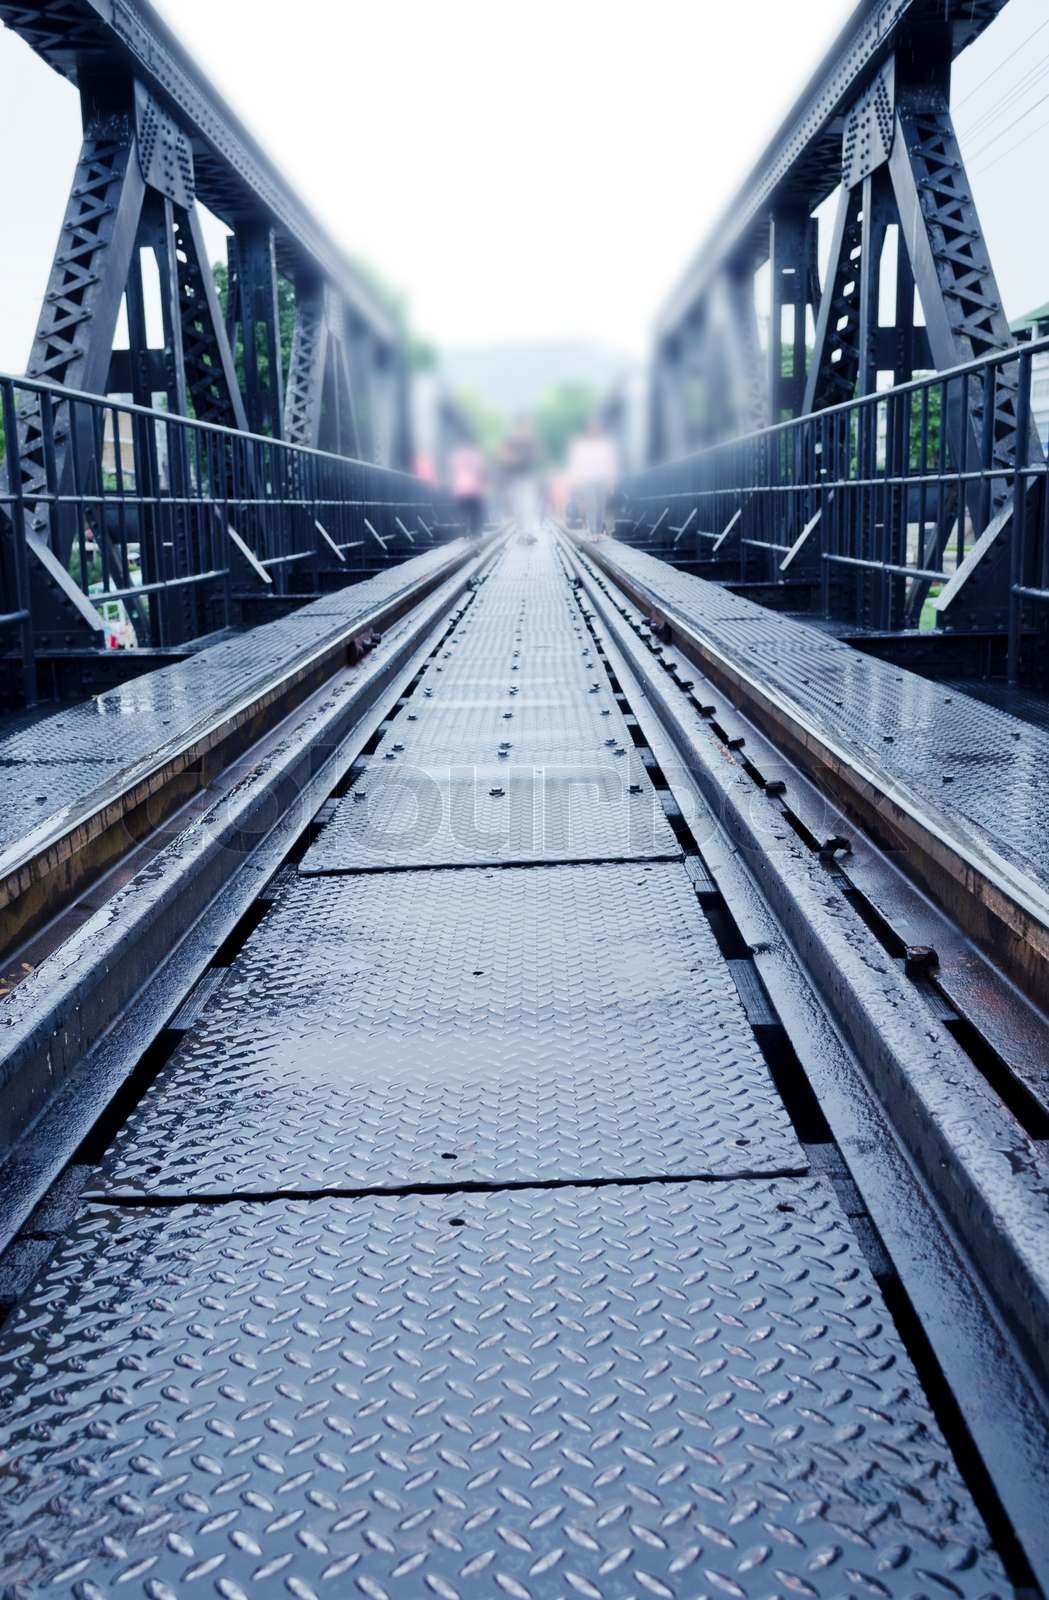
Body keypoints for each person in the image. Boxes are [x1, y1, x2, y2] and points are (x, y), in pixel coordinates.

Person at [568, 417, 619, 536]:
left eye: (596, 428)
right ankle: (593, 532)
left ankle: (598, 531)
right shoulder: (581, 445)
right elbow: (577, 463)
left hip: (602, 479)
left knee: (601, 506)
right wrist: (575, 481)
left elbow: (611, 463)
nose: (594, 430)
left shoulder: (606, 445)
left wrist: (612, 480)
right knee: (592, 505)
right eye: (592, 428)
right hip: (587, 479)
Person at [499, 416, 541, 531]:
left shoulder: (531, 439)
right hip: (514, 476)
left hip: (528, 475)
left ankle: (529, 530)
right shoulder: (510, 440)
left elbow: (537, 454)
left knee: (529, 503)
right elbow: (504, 455)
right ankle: (522, 529)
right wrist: (514, 458)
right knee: (518, 504)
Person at [449, 442, 487, 536]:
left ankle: (465, 531)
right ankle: (475, 532)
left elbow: (453, 472)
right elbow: (481, 472)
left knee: (464, 513)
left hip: (461, 489)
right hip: (474, 490)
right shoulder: (475, 457)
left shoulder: (457, 458)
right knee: (475, 513)